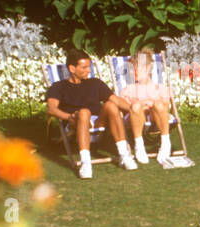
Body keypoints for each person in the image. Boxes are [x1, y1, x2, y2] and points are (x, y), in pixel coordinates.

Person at [45, 49, 137, 178]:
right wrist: (68, 117)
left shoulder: (95, 83)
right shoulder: (59, 86)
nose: (89, 70)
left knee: (111, 105)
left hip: (98, 122)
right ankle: (86, 162)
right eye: (84, 67)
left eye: (89, 67)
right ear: (72, 68)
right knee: (84, 112)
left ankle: (124, 156)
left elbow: (115, 100)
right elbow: (52, 109)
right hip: (75, 122)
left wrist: (135, 109)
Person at [115, 48, 174, 165]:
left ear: (147, 68)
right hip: (136, 118)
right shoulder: (128, 90)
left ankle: (165, 144)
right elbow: (126, 108)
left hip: (156, 117)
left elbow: (165, 107)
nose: (131, 73)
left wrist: (150, 105)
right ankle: (139, 145)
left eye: (134, 70)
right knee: (136, 106)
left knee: (158, 104)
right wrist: (144, 105)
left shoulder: (160, 88)